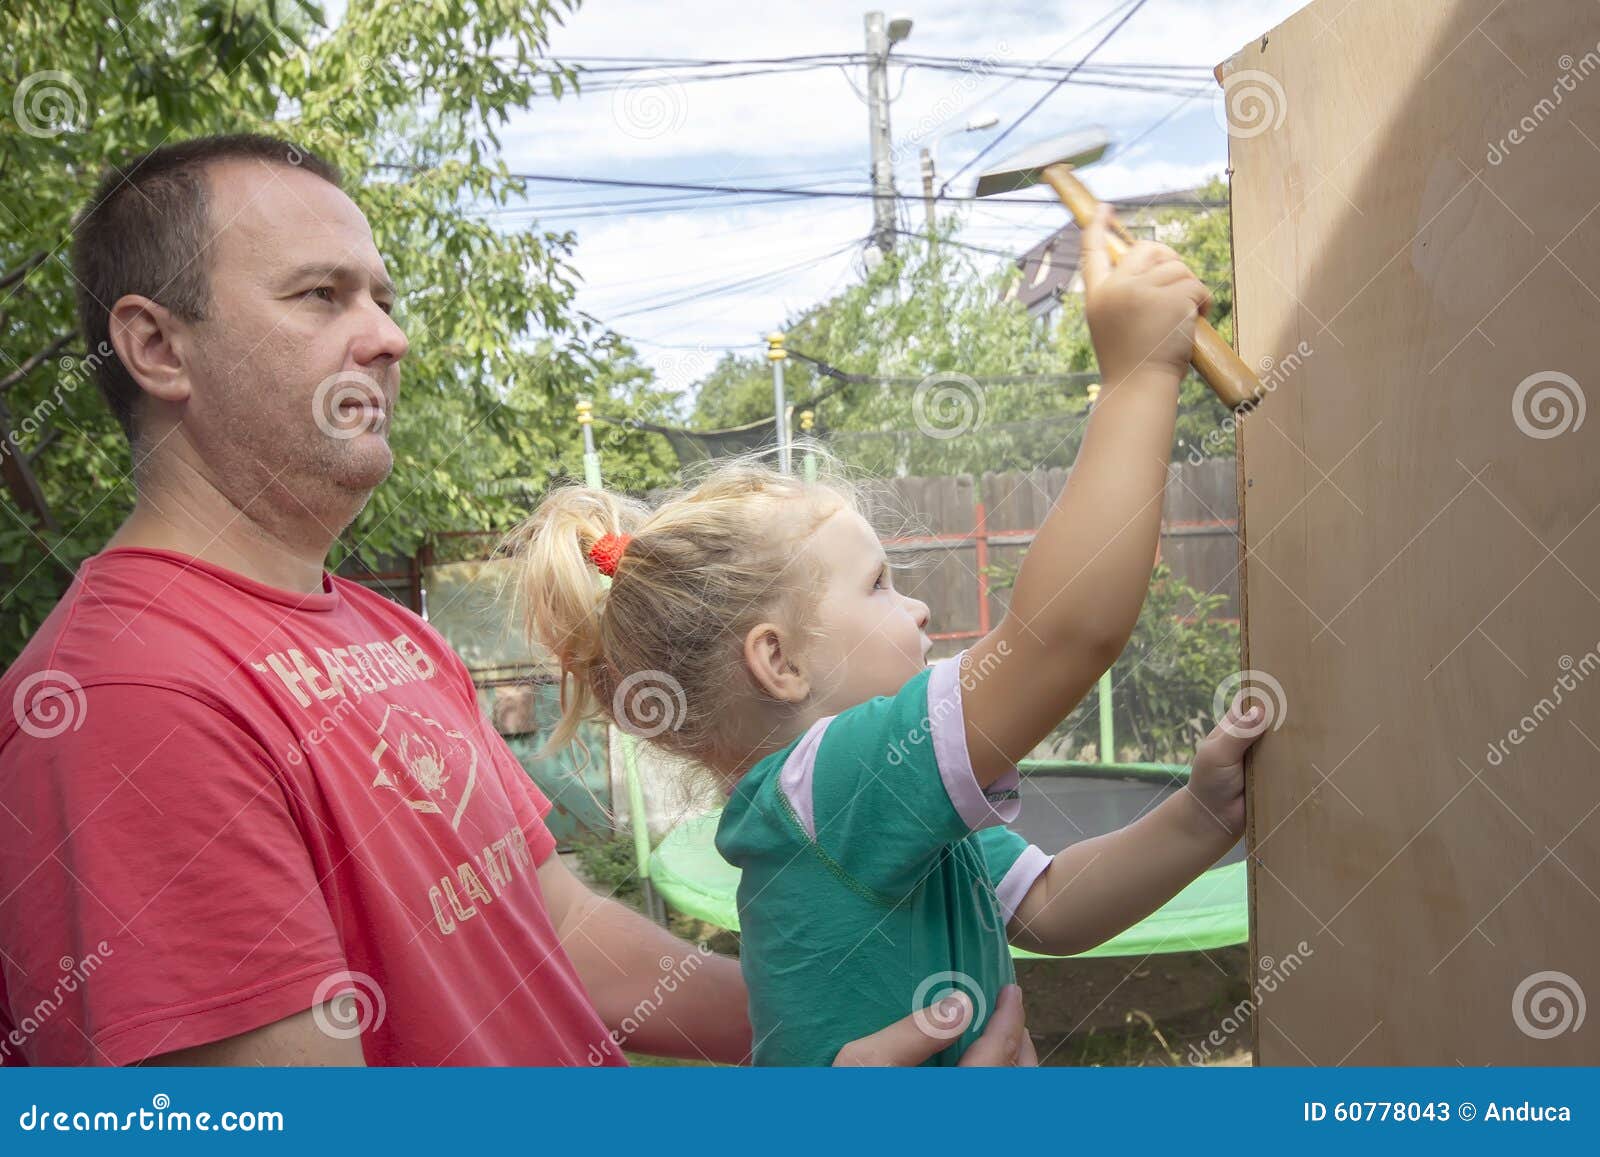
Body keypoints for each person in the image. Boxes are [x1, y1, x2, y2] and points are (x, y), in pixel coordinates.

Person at [0, 133, 1030, 1067]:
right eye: (321, 295)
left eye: (383, 299)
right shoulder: (128, 699)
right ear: (157, 347)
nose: (387, 338)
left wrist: (850, 1017)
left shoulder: (390, 632)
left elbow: (561, 938)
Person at [510, 208, 1270, 1064]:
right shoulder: (827, 786)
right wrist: (1136, 376)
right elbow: (1063, 636)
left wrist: (1200, 818)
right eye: (879, 584)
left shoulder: (878, 812)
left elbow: (1051, 905)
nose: (913, 610)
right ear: (780, 661)